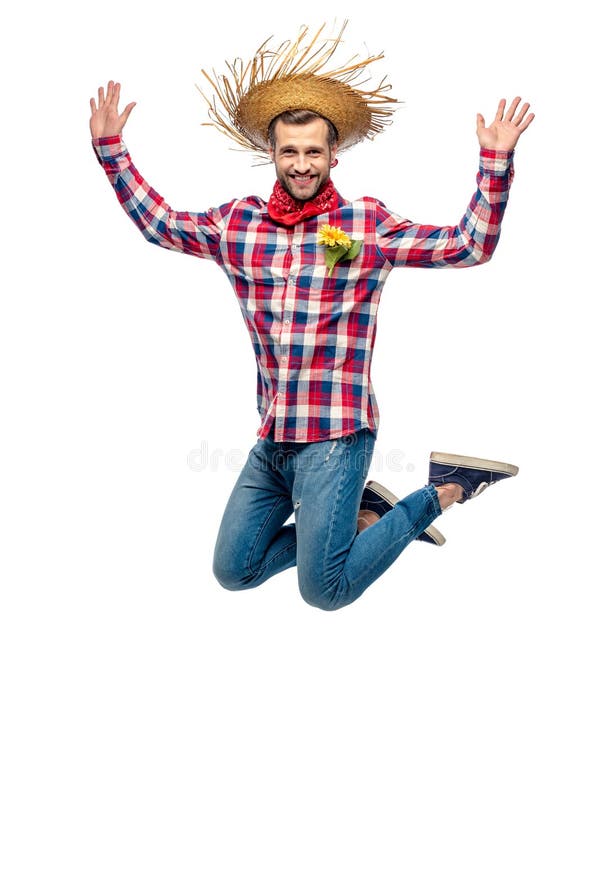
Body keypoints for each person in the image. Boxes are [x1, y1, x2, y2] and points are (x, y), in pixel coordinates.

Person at [89, 26, 534, 611]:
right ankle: (369, 513)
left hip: (336, 434)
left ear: (332, 155)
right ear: (271, 153)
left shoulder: (365, 225)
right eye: (290, 151)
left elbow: (467, 246)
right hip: (274, 435)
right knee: (234, 570)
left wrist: (495, 161)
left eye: (314, 152)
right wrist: (112, 151)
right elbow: (160, 225)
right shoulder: (237, 225)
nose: (302, 164)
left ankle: (442, 489)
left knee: (325, 592)